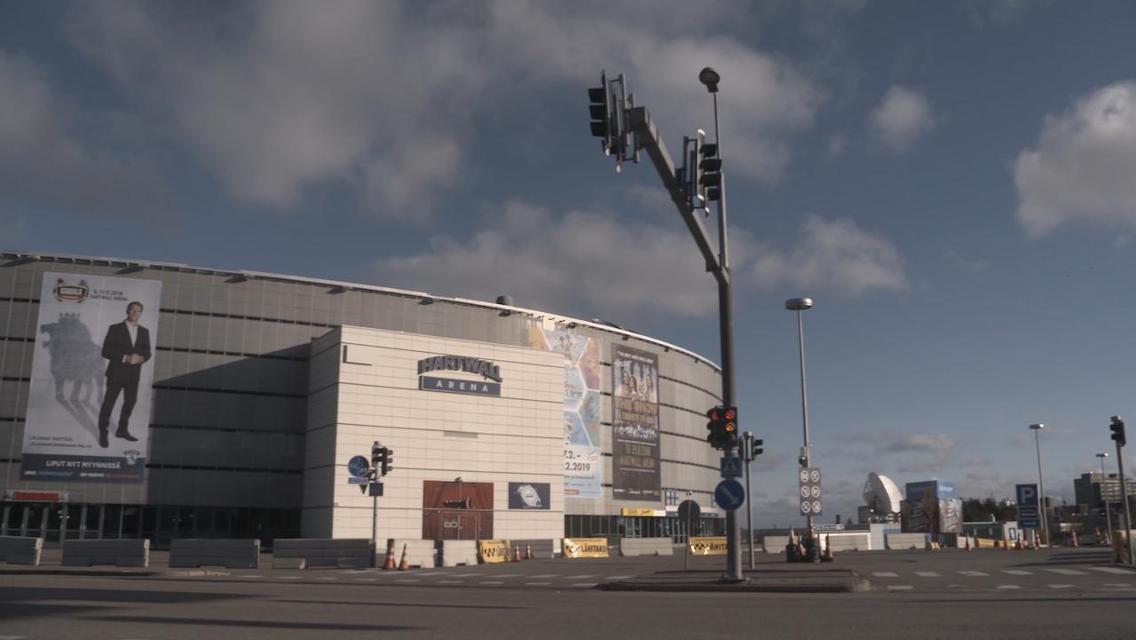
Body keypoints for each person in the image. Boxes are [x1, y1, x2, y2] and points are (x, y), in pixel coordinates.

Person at [96, 301, 151, 448]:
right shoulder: (115, 328)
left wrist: (141, 358)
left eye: (138, 311)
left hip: (133, 375)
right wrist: (125, 357)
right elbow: (105, 351)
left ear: (141, 313)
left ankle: (122, 429)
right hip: (116, 373)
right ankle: (103, 431)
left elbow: (147, 352)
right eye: (132, 310)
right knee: (109, 403)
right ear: (127, 311)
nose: (135, 313)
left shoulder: (144, 331)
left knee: (130, 402)